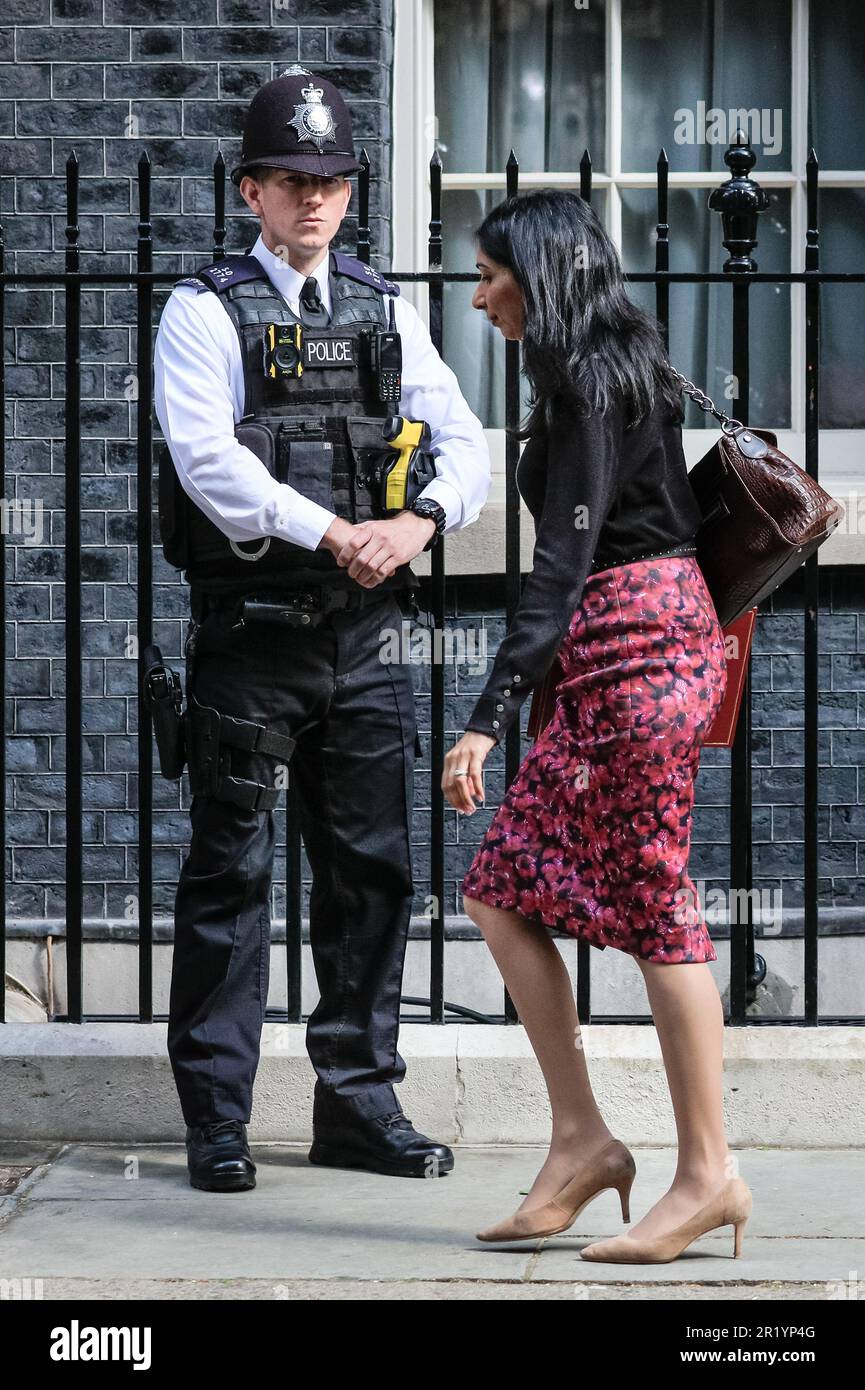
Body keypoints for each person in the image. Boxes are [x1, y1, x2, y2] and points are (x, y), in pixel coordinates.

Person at [153, 67, 491, 1191]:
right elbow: (211, 466)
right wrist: (337, 528)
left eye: (332, 181)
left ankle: (356, 1104)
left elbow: (467, 443)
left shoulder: (386, 309)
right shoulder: (201, 312)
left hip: (364, 639)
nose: (314, 200)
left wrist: (419, 521)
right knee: (230, 879)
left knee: (371, 878)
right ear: (249, 188)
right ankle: (217, 1120)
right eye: (292, 179)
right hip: (252, 639)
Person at [442, 189, 752, 1263]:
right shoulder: (627, 363)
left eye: (491, 274)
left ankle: (707, 1173)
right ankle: (581, 1140)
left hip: (633, 650)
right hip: (637, 647)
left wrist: (484, 717)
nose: (477, 295)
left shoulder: (585, 381)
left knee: (658, 903)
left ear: (542, 270)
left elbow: (560, 568)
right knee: (498, 890)